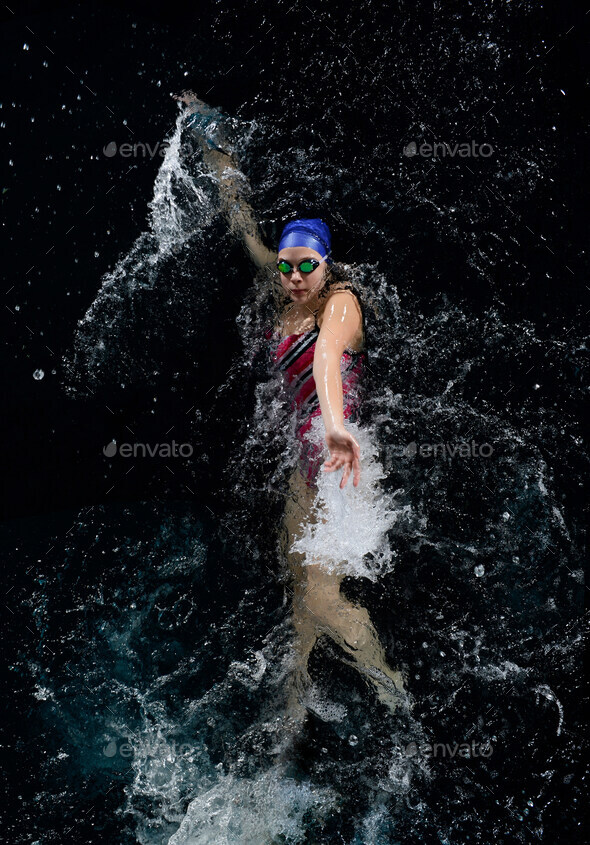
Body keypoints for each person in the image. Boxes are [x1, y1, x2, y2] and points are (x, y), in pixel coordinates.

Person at [174, 91, 405, 718]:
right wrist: (207, 136)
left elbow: (328, 358)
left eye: (307, 264)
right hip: (307, 460)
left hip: (341, 457)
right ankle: (295, 707)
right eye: (286, 265)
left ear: (327, 265)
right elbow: (240, 220)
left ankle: (395, 692)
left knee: (326, 597)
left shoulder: (341, 304)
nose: (295, 275)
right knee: (298, 587)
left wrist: (334, 427)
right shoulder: (282, 294)